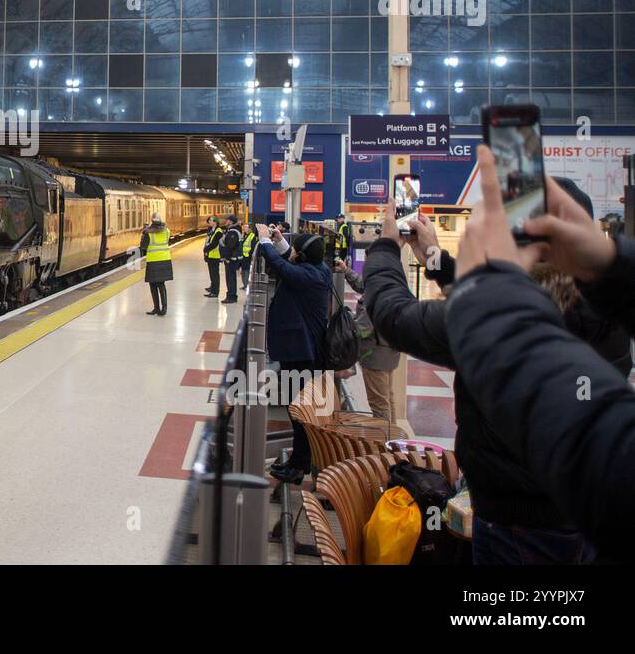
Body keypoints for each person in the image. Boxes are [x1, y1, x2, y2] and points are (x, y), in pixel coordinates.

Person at [363, 174, 629, 564]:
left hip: (515, 522)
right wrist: (436, 259)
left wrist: (386, 245)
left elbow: (392, 315)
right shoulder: (610, 310)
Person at [444, 146, 635, 558]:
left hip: (510, 516)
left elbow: (396, 316)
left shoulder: (502, 316)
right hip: (575, 515)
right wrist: (608, 267)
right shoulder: (607, 315)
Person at [256, 225, 332, 484]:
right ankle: (299, 462)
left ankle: (299, 466)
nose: (293, 253)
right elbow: (292, 261)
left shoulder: (307, 276)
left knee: (298, 411)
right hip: (304, 352)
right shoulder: (318, 270)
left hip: (302, 353)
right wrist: (280, 242)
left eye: (296, 250)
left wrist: (265, 242)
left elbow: (283, 267)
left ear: (301, 257)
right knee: (298, 408)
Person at [333, 256, 399, 423]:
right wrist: (346, 271)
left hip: (375, 354)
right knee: (387, 399)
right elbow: (363, 285)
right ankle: (394, 441)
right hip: (389, 351)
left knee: (379, 405)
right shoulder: (388, 283)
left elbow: (363, 329)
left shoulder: (376, 295)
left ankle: (383, 444)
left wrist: (344, 325)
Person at [140, 214, 173, 317]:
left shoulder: (148, 233)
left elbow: (143, 246)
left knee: (153, 285)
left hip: (153, 260)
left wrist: (144, 233)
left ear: (152, 221)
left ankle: (156, 308)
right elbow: (167, 241)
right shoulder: (167, 231)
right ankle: (164, 309)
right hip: (165, 259)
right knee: (161, 285)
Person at [218, 214, 243, 303]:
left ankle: (231, 297)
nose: (226, 221)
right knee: (231, 278)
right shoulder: (232, 231)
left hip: (231, 259)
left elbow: (230, 246)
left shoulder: (233, 232)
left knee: (230, 278)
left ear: (231, 222)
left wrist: (226, 258)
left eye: (227, 220)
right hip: (232, 259)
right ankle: (232, 296)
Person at [203, 216, 223, 297]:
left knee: (215, 275)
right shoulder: (212, 231)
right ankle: (213, 290)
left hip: (215, 256)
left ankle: (215, 292)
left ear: (215, 222)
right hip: (211, 256)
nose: (209, 222)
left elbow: (214, 244)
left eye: (211, 221)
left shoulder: (218, 232)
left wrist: (206, 249)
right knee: (212, 274)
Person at [239, 222, 257, 288]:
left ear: (250, 229)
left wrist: (250, 254)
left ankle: (247, 285)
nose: (244, 228)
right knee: (242, 271)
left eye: (246, 227)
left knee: (246, 271)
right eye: (244, 227)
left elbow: (253, 247)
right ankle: (244, 284)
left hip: (247, 257)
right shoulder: (244, 235)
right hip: (242, 256)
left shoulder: (252, 236)